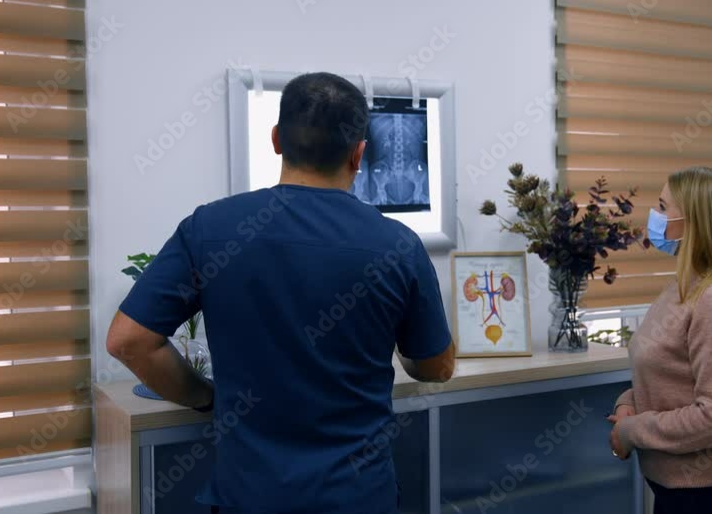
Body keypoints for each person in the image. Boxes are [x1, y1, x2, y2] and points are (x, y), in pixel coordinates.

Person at [106, 72, 456, 514]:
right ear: (359, 153)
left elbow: (128, 341)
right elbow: (437, 367)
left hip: (248, 498)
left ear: (275, 139)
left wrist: (205, 397)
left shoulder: (209, 229)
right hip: (357, 498)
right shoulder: (398, 246)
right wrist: (406, 351)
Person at [607, 166, 712, 514]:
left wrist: (633, 430)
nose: (654, 216)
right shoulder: (679, 291)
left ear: (693, 222)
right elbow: (667, 377)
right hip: (674, 496)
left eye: (663, 207)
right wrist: (626, 404)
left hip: (711, 501)